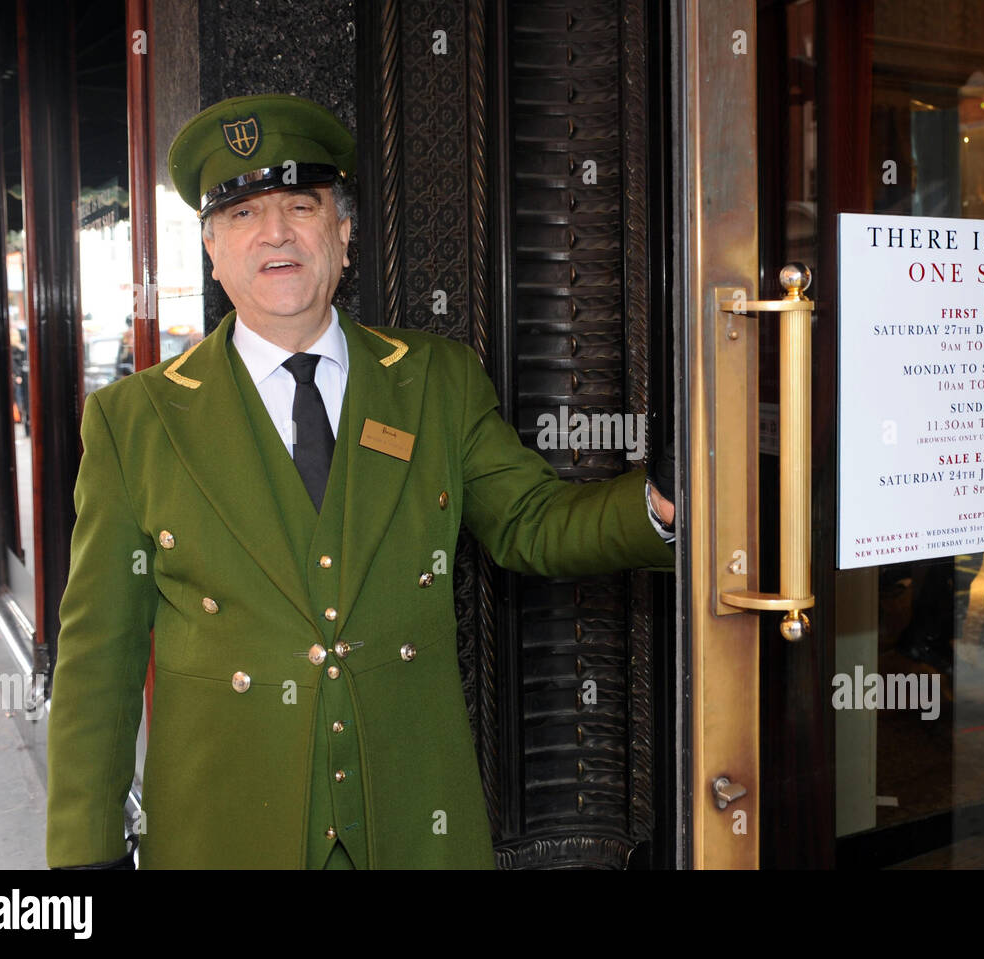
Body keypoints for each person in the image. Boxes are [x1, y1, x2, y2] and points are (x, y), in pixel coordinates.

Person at [45, 94, 675, 869]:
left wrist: (659, 504)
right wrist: (84, 855)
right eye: (242, 214)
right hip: (226, 831)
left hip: (413, 824)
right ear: (212, 251)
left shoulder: (435, 382)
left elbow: (533, 523)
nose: (274, 232)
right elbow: (97, 663)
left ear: (343, 234)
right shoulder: (134, 421)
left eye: (300, 205)